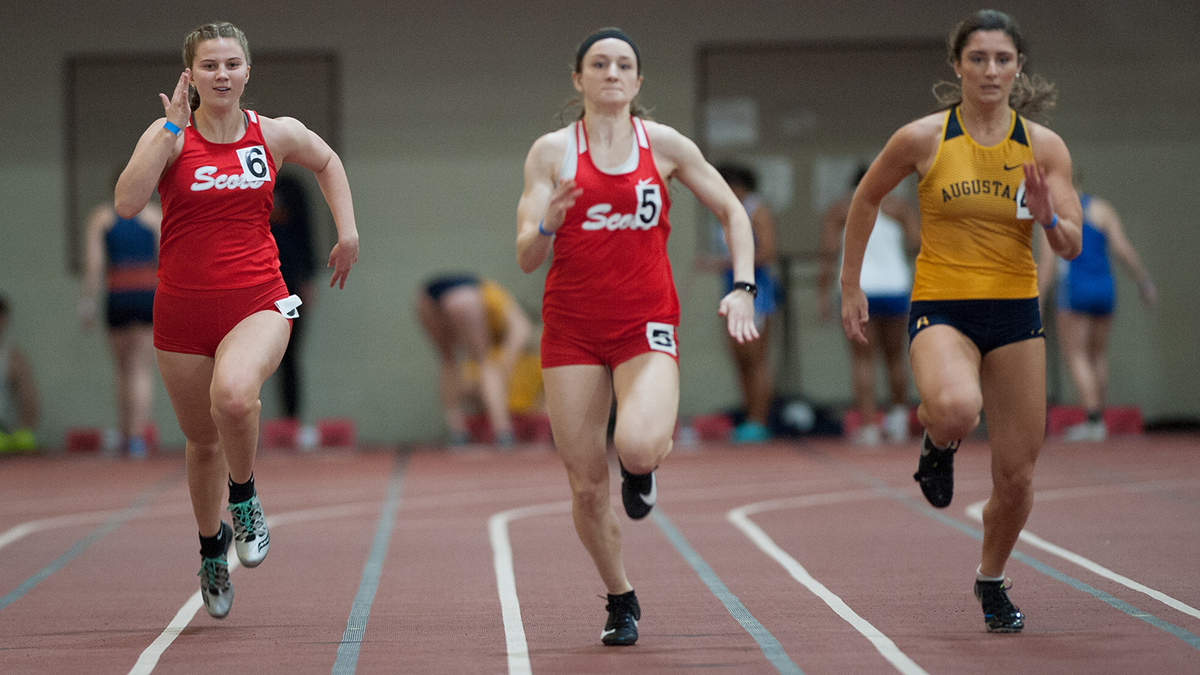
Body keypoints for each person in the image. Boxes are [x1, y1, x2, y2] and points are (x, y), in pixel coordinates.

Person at [840, 10, 1082, 633]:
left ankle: (991, 578)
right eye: (978, 59)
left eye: (1003, 59)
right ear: (958, 66)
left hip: (1015, 312)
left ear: (1018, 67)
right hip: (942, 303)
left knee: (1018, 475)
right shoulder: (923, 138)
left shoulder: (1044, 147)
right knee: (953, 407)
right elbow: (866, 198)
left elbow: (1072, 245)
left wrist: (1048, 216)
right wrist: (850, 285)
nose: (991, 70)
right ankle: (938, 442)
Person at [516, 28, 758, 646]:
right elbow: (524, 257)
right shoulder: (552, 153)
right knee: (586, 485)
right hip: (571, 330)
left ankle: (642, 468)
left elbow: (733, 211)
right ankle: (621, 596)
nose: (612, 73)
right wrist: (547, 221)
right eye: (599, 64)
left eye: (624, 64)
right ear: (579, 79)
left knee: (639, 446)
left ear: (638, 81)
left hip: (645, 324)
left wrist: (744, 285)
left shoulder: (666, 145)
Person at [114, 22, 359, 620]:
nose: (221, 75)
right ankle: (210, 549)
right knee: (201, 444)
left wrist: (346, 231)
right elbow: (126, 202)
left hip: (258, 299)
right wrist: (170, 127)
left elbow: (327, 162)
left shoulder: (272, 134)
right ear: (190, 75)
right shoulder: (170, 136)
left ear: (248, 71)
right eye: (209, 66)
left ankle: (245, 499)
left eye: (231, 64)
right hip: (180, 310)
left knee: (234, 396)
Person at [1038, 190, 1157, 441]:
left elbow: (1048, 265)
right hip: (1104, 288)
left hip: (1075, 290)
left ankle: (1093, 421)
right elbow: (1122, 247)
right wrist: (1143, 280)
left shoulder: (1053, 213)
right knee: (1098, 355)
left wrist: (1036, 303)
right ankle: (1099, 419)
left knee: (1077, 356)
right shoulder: (1103, 209)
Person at [817, 166, 920, 446]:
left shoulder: (839, 210)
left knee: (862, 360)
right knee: (895, 357)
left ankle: (869, 427)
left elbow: (828, 253)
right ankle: (898, 421)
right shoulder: (897, 206)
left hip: (857, 289)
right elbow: (916, 242)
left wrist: (822, 294)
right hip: (895, 287)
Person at [78, 182, 161, 459]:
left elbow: (94, 263)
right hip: (146, 293)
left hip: (118, 295)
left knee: (122, 369)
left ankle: (125, 433)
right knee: (142, 370)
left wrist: (87, 303)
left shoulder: (101, 217)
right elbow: (168, 260)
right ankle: (137, 437)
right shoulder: (154, 217)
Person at [415, 275, 534, 446]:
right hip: (464, 295)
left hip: (425, 297)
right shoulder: (519, 323)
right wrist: (498, 382)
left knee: (447, 359)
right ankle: (503, 432)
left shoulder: (497, 316)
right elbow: (504, 364)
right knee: (486, 363)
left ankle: (458, 432)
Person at [711, 164, 778, 444]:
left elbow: (768, 251)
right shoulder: (726, 210)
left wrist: (725, 262)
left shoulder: (756, 210)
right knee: (738, 358)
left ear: (737, 184)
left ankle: (759, 419)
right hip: (730, 286)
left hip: (756, 289)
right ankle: (748, 416)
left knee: (755, 358)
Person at [269, 171, 318, 446]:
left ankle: (291, 421)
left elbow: (305, 231)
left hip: (289, 287)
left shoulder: (292, 187)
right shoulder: (240, 177)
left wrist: (308, 279)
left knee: (288, 353)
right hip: (253, 283)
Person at [0, 296, 40, 454]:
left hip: (4, 431)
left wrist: (23, 431)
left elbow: (31, 399)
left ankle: (20, 433)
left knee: (18, 362)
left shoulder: (12, 357)